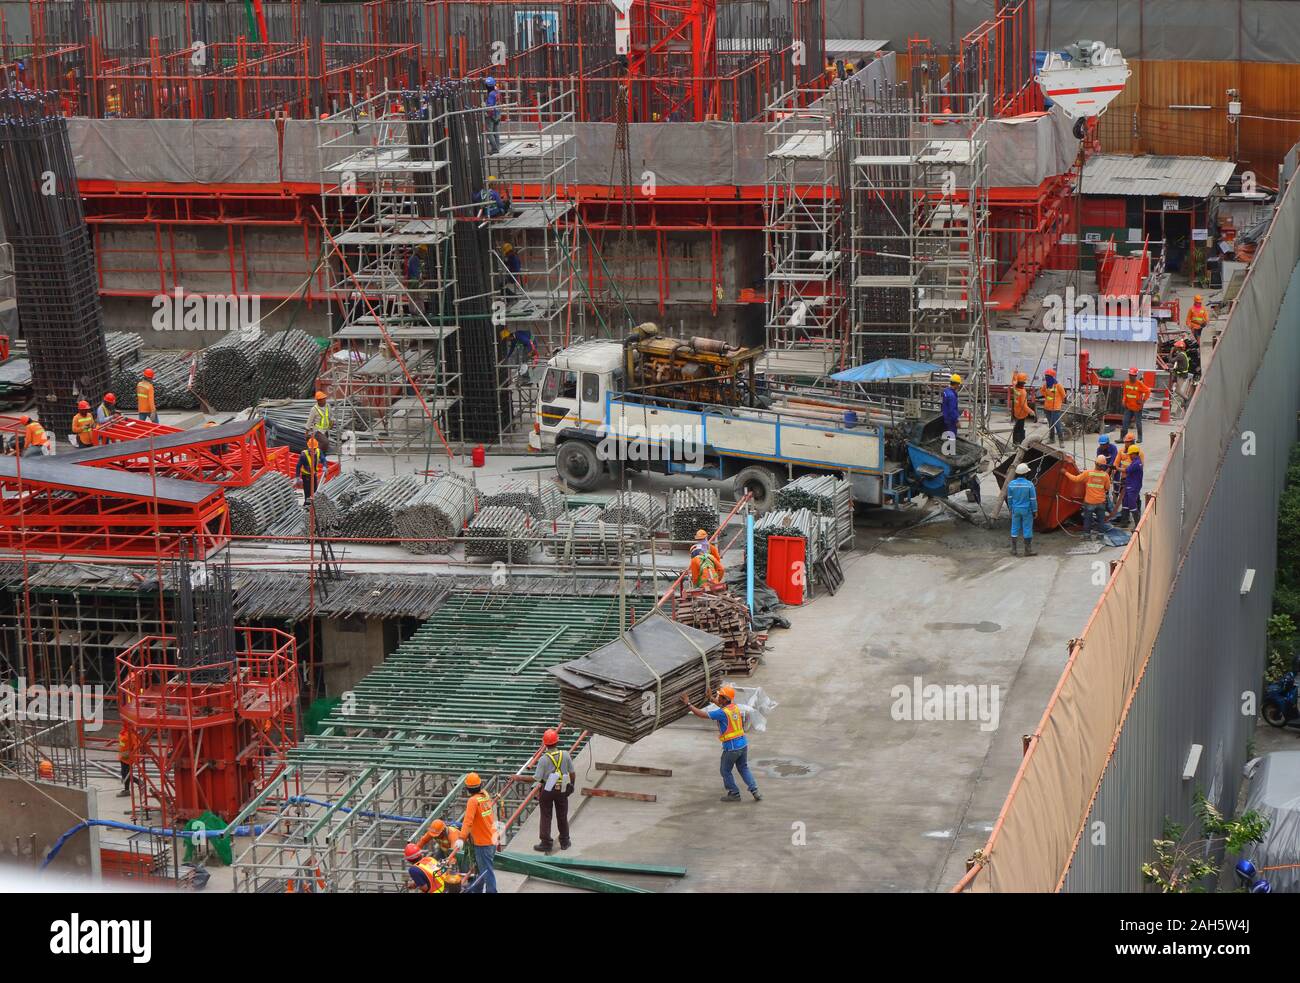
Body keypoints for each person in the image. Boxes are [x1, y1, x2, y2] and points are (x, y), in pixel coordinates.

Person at [681, 685, 761, 802]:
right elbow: (722, 706)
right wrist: (711, 698)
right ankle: (755, 790)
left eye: (719, 696)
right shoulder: (734, 707)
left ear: (725, 699)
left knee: (725, 770)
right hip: (743, 745)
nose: (718, 698)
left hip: (732, 748)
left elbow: (701, 714)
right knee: (743, 768)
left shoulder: (722, 713)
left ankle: (734, 793)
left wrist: (688, 704)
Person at [533, 728, 575, 854]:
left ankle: (546, 843)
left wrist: (517, 777)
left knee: (546, 816)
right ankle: (565, 841)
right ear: (557, 742)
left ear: (545, 744)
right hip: (561, 788)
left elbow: (537, 778)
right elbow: (572, 773)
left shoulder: (543, 759)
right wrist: (571, 786)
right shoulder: (565, 755)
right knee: (562, 815)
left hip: (547, 789)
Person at [457, 772, 498, 893]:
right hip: (492, 838)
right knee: (482, 869)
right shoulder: (485, 795)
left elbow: (467, 821)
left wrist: (461, 838)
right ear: (480, 785)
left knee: (486, 871)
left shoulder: (472, 801)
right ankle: (476, 890)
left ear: (468, 788)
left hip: (483, 842)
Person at [1064, 455, 1113, 542]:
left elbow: (1076, 479)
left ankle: (1087, 536)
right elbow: (1108, 488)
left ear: (1095, 463)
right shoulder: (1105, 475)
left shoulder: (1088, 473)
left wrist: (1065, 472)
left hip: (1090, 502)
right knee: (1101, 520)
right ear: (1104, 466)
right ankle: (1100, 536)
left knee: (1087, 520)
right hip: (1101, 502)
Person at [1006, 461, 1038, 557]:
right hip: (1026, 510)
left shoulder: (1011, 484)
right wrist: (1035, 511)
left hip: (1015, 510)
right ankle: (1027, 550)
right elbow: (1033, 499)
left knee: (1014, 528)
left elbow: (1009, 499)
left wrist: (1010, 510)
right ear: (1026, 473)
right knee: (1027, 528)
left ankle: (1014, 550)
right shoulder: (1029, 484)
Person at [1112, 444, 1144, 528]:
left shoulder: (1136, 463)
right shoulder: (1135, 461)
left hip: (1133, 486)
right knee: (1125, 503)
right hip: (1129, 484)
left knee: (1132, 504)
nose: (1129, 455)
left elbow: (1126, 470)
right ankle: (1124, 522)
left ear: (1134, 453)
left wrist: (1117, 468)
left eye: (1130, 454)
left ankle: (1138, 524)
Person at [1121, 366, 1151, 443]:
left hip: (1137, 408)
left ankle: (1140, 438)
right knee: (1125, 422)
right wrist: (1124, 400)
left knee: (1138, 423)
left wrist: (1143, 401)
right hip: (1128, 406)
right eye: (1130, 375)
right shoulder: (1126, 382)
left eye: (1133, 375)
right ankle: (1122, 438)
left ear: (1135, 376)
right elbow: (1125, 393)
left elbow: (1147, 391)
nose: (1131, 377)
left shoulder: (1139, 384)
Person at [1039, 370, 1067, 442]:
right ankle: (1052, 439)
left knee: (1057, 425)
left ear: (1052, 377)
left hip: (1055, 408)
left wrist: (1057, 400)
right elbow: (1042, 391)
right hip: (1047, 408)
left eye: (1048, 376)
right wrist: (1047, 396)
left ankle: (1061, 440)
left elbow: (1063, 395)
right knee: (1050, 425)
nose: (1046, 378)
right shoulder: (1046, 385)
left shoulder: (1058, 386)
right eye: (1046, 376)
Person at [1009, 371, 1034, 446]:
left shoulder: (1015, 388)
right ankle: (1020, 442)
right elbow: (1024, 406)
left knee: (1017, 428)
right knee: (1020, 428)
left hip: (1016, 411)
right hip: (1022, 413)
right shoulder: (1023, 392)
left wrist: (1015, 375)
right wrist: (1031, 411)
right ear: (1023, 382)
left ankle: (1015, 442)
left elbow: (1013, 381)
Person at [298, 436, 323, 502]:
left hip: (314, 474)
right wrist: (297, 477)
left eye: (314, 449)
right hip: (306, 475)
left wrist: (325, 466)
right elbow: (298, 466)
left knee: (315, 490)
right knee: (307, 492)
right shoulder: (304, 455)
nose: (313, 450)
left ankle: (314, 504)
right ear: (308, 448)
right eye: (312, 449)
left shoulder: (317, 451)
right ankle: (307, 505)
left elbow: (323, 459)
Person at [306, 391, 330, 456]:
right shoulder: (314, 409)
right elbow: (309, 421)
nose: (325, 400)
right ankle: (315, 455)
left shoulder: (327, 406)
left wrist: (332, 421)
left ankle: (322, 458)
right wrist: (307, 431)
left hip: (325, 430)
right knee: (325, 442)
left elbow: (330, 415)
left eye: (325, 398)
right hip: (317, 430)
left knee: (323, 445)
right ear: (318, 401)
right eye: (323, 399)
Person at [117, 723, 135, 797]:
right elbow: (122, 744)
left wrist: (131, 754)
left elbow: (136, 745)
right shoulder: (123, 732)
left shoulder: (131, 734)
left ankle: (138, 783)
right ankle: (127, 789)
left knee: (127, 774)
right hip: (123, 756)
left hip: (128, 757)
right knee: (124, 774)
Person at [483, 76, 501, 154]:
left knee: (489, 133)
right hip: (498, 114)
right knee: (496, 132)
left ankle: (494, 148)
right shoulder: (497, 91)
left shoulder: (491, 94)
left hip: (492, 115)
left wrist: (486, 113)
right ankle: (497, 147)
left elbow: (490, 107)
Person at [941, 374, 961, 441]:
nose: (959, 386)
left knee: (947, 437)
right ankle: (950, 450)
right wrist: (956, 421)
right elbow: (952, 410)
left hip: (946, 418)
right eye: (958, 384)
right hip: (951, 421)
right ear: (956, 384)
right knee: (951, 439)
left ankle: (947, 449)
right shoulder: (951, 395)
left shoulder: (946, 391)